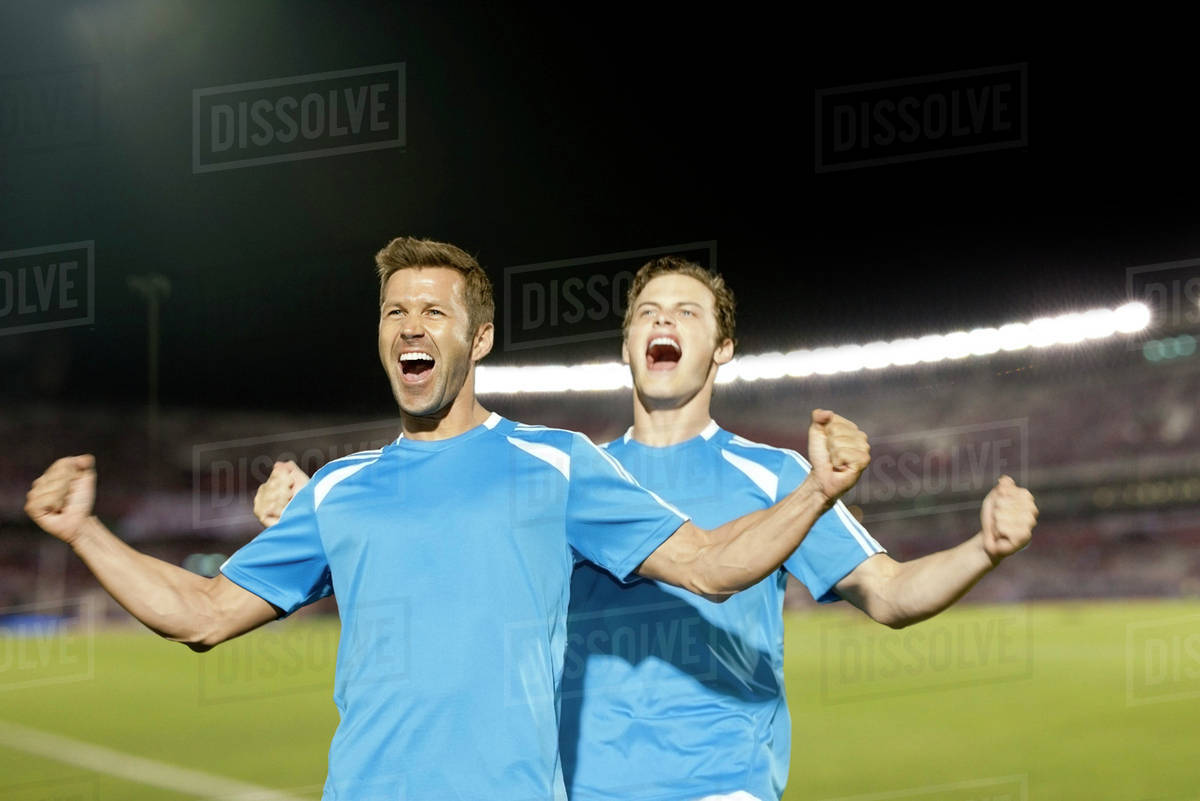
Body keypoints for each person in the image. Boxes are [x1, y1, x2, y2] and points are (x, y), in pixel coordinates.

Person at [25, 237, 873, 801]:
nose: (412, 326)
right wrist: (83, 533)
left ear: (481, 338)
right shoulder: (340, 488)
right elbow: (202, 614)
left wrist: (815, 491)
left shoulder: (559, 464)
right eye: (395, 311)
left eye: (435, 311)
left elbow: (710, 565)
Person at [254, 254, 1039, 801]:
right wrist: (312, 508)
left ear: (721, 348)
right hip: (579, 785)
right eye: (647, 313)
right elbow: (439, 558)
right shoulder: (564, 476)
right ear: (627, 344)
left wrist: (984, 547)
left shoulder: (776, 476)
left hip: (717, 783)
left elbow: (891, 592)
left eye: (686, 312)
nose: (664, 320)